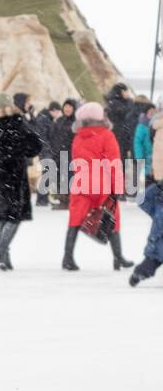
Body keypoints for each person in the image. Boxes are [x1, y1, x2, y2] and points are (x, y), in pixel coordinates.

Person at [0, 92, 43, 271]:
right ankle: (2, 249)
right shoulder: (18, 122)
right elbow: (36, 145)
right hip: (14, 173)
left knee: (2, 216)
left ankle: (4, 257)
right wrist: (21, 151)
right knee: (14, 216)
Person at [63, 101, 132, 272]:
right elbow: (114, 162)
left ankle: (67, 258)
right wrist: (118, 187)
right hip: (103, 184)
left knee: (75, 220)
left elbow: (75, 160)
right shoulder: (106, 135)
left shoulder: (78, 136)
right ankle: (118, 258)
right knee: (112, 219)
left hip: (81, 183)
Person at [129, 179, 163, 287]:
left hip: (156, 246)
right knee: (150, 264)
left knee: (150, 263)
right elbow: (141, 200)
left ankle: (138, 274)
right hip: (158, 245)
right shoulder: (158, 204)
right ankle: (138, 275)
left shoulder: (158, 205)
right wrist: (157, 187)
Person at [49, 99, 78, 209]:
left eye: (70, 106)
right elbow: (53, 137)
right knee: (61, 177)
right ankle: (63, 200)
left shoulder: (77, 122)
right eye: (65, 106)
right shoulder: (59, 120)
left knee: (70, 177)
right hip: (59, 153)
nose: (67, 109)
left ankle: (71, 201)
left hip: (72, 154)